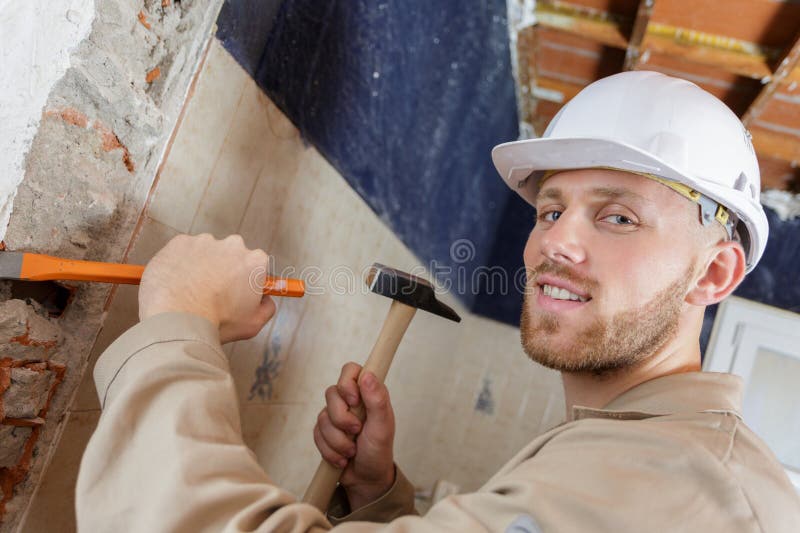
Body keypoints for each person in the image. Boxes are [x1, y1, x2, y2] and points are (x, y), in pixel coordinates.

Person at [76, 71, 800, 531]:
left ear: (714, 274)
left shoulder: (681, 485)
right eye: (550, 211)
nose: (555, 244)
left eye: (617, 216)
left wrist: (181, 323)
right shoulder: (625, 445)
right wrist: (381, 492)